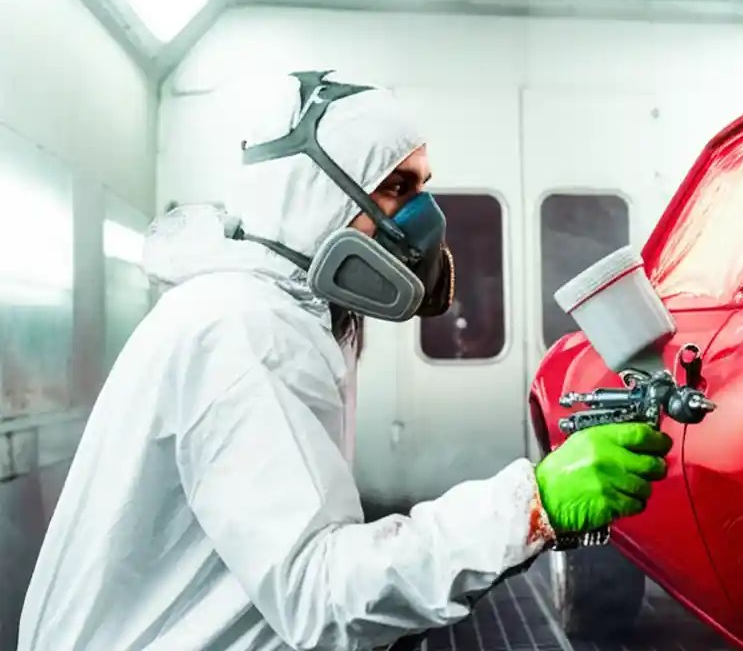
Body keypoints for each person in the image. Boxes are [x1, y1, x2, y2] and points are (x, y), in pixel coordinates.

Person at [18, 71, 672, 650]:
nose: (424, 220)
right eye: (397, 187)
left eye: (424, 187)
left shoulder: (293, 314)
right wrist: (535, 503)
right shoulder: (242, 331)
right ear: (316, 197)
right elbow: (317, 589)